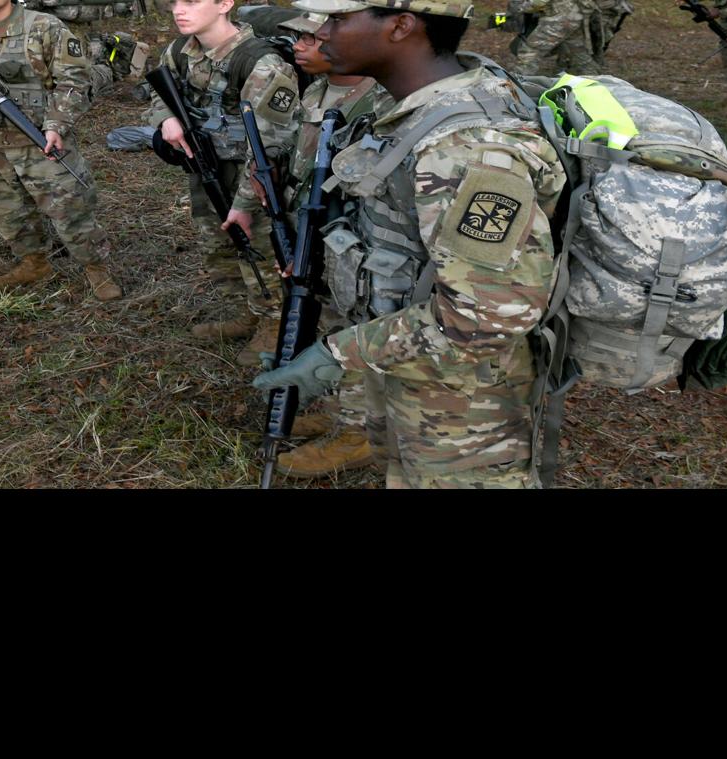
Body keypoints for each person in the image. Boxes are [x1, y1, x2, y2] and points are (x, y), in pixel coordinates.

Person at [253, 0, 565, 488]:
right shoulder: (402, 105)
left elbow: (487, 315)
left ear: (401, 26)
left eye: (337, 19)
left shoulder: (467, 145)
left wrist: (340, 356)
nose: (321, 31)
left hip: (464, 408)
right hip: (411, 369)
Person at [264, 10, 392, 478]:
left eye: (311, 37)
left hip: (355, 240)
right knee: (331, 320)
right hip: (314, 232)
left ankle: (361, 430)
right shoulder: (317, 88)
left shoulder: (379, 100)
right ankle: (345, 408)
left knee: (358, 323)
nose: (300, 45)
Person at [0, 0, 123, 300]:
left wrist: (56, 125)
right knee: (7, 211)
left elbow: (74, 81)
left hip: (39, 140)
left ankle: (96, 269)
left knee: (69, 209)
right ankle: (33, 263)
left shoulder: (45, 27)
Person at [146, 0, 301, 363]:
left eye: (192, 1)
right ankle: (247, 310)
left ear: (225, 4)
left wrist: (246, 203)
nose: (178, 10)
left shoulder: (259, 62)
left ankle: (274, 322)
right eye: (174, 2)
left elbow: (271, 147)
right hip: (206, 165)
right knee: (218, 243)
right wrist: (165, 118)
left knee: (258, 247)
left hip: (253, 177)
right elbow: (156, 90)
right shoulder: (179, 51)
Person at [507, 0, 597, 77]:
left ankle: (517, 81)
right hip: (575, 16)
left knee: (531, 50)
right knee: (579, 52)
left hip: (559, 20)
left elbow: (539, 3)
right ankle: (597, 80)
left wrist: (519, 8)